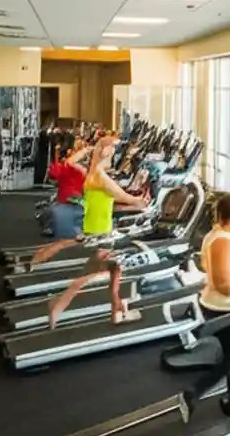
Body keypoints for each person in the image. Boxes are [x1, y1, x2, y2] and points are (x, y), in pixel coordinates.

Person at [46, 135, 150, 329]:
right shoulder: (101, 177)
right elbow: (122, 196)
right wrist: (139, 201)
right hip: (100, 234)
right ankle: (57, 306)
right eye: (112, 150)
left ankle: (116, 309)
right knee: (89, 276)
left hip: (98, 229)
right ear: (105, 152)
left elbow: (110, 204)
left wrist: (134, 205)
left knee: (115, 269)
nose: (115, 154)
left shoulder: (93, 174)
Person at [176, 193, 230, 422]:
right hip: (227, 308)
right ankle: (200, 394)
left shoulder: (214, 235)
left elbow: (208, 267)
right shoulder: (225, 240)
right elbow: (224, 285)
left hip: (213, 305)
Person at [29, 140, 91, 266]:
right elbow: (60, 169)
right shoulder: (77, 168)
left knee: (63, 243)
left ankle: (36, 261)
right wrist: (83, 151)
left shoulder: (82, 169)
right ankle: (36, 263)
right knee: (66, 243)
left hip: (68, 207)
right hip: (71, 208)